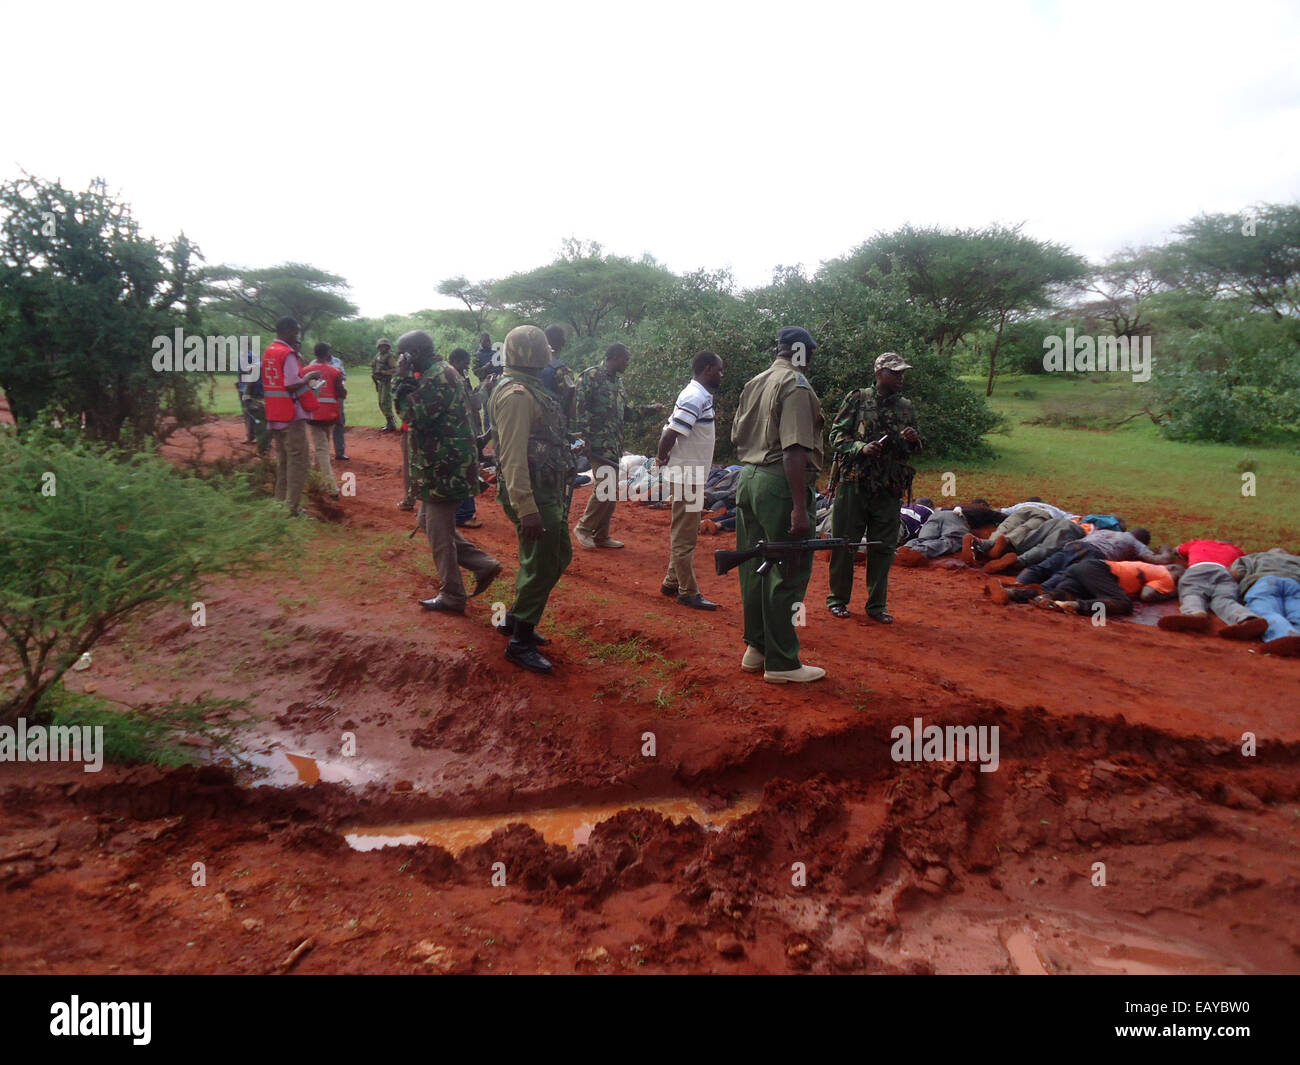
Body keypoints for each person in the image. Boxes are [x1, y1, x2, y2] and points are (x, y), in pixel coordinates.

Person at [731, 326, 826, 683]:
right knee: (788, 570)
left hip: (749, 478)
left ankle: (756, 649)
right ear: (802, 352)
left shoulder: (755, 382)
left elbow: (736, 436)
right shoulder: (796, 386)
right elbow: (794, 449)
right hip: (780, 483)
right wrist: (800, 508)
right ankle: (783, 662)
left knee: (755, 566)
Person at [392, 331, 501, 615]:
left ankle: (453, 595)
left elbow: (410, 415)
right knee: (427, 522)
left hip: (445, 469)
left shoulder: (435, 378)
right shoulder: (441, 372)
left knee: (439, 535)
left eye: (402, 354)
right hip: (446, 465)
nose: (399, 359)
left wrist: (399, 378)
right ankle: (482, 564)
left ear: (412, 353)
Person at [490, 325, 577, 674]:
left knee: (551, 557)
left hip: (542, 491)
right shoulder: (518, 396)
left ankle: (514, 619)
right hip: (533, 496)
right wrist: (527, 509)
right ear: (538, 354)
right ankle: (520, 642)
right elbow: (512, 457)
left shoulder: (529, 390)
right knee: (545, 561)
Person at [825, 352, 922, 622]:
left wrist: (913, 440)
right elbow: (836, 435)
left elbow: (916, 447)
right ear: (879, 373)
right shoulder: (857, 399)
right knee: (845, 542)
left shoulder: (906, 406)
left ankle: (877, 605)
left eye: (903, 372)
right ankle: (837, 599)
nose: (901, 377)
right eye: (895, 372)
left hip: (889, 487)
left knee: (883, 546)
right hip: (854, 482)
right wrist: (860, 447)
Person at [572, 344, 664, 549]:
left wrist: (651, 410)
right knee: (606, 486)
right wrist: (587, 439)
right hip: (597, 445)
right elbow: (580, 410)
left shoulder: (618, 383)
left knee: (611, 490)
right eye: (626, 359)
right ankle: (584, 528)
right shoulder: (591, 376)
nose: (628, 363)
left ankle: (601, 536)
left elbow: (626, 413)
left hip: (614, 445)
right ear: (614, 357)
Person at [656, 350, 724, 610]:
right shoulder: (695, 396)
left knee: (685, 530)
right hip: (688, 474)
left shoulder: (698, 395)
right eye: (718, 369)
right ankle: (688, 591)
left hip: (690, 473)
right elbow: (671, 433)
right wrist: (661, 458)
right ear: (707, 369)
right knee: (685, 535)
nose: (721, 374)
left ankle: (672, 582)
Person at [262, 317, 322, 517]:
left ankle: (280, 503)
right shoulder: (286, 354)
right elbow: (291, 384)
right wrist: (309, 377)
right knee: (299, 462)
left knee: (284, 460)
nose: (297, 335)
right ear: (287, 330)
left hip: (275, 414)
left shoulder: (270, 351)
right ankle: (293, 508)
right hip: (290, 415)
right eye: (295, 332)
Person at [1158, 539, 1267, 640]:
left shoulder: (1199, 542)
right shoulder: (1235, 550)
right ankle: (1246, 617)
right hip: (1224, 573)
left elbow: (1177, 550)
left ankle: (1195, 612)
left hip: (1198, 569)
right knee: (1225, 599)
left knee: (1192, 592)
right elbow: (1245, 563)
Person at [1231, 548, 1300, 656]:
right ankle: (1296, 633)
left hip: (1266, 582)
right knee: (1297, 611)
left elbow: (1237, 573)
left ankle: (1286, 636)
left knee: (1264, 610)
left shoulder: (1254, 556)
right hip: (1294, 584)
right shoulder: (1296, 559)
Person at [305, 342, 346, 497]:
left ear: (315, 354)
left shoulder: (306, 371)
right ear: (328, 353)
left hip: (313, 415)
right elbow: (342, 394)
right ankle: (329, 486)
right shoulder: (335, 371)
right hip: (330, 416)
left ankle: (319, 483)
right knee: (323, 448)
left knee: (321, 449)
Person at [448, 348, 482, 529]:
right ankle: (463, 515)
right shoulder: (454, 379)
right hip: (460, 436)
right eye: (464, 363)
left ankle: (460, 513)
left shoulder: (456, 377)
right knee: (465, 473)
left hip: (461, 433)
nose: (466, 367)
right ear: (455, 361)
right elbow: (472, 403)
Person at [540, 324, 577, 424]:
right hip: (553, 429)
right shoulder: (563, 371)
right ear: (563, 344)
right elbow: (570, 408)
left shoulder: (531, 366)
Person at [372, 337, 399, 431]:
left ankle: (391, 423)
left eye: (384, 346)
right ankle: (389, 422)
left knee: (385, 401)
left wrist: (383, 372)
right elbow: (374, 366)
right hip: (380, 382)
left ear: (388, 347)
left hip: (387, 381)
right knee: (380, 402)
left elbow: (395, 369)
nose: (382, 348)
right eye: (381, 346)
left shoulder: (389, 356)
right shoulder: (377, 356)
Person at [329, 346, 349, 460]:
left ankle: (340, 452)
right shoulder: (314, 363)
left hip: (337, 396)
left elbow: (343, 377)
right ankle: (323, 453)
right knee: (322, 424)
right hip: (322, 397)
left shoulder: (337, 361)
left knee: (339, 421)